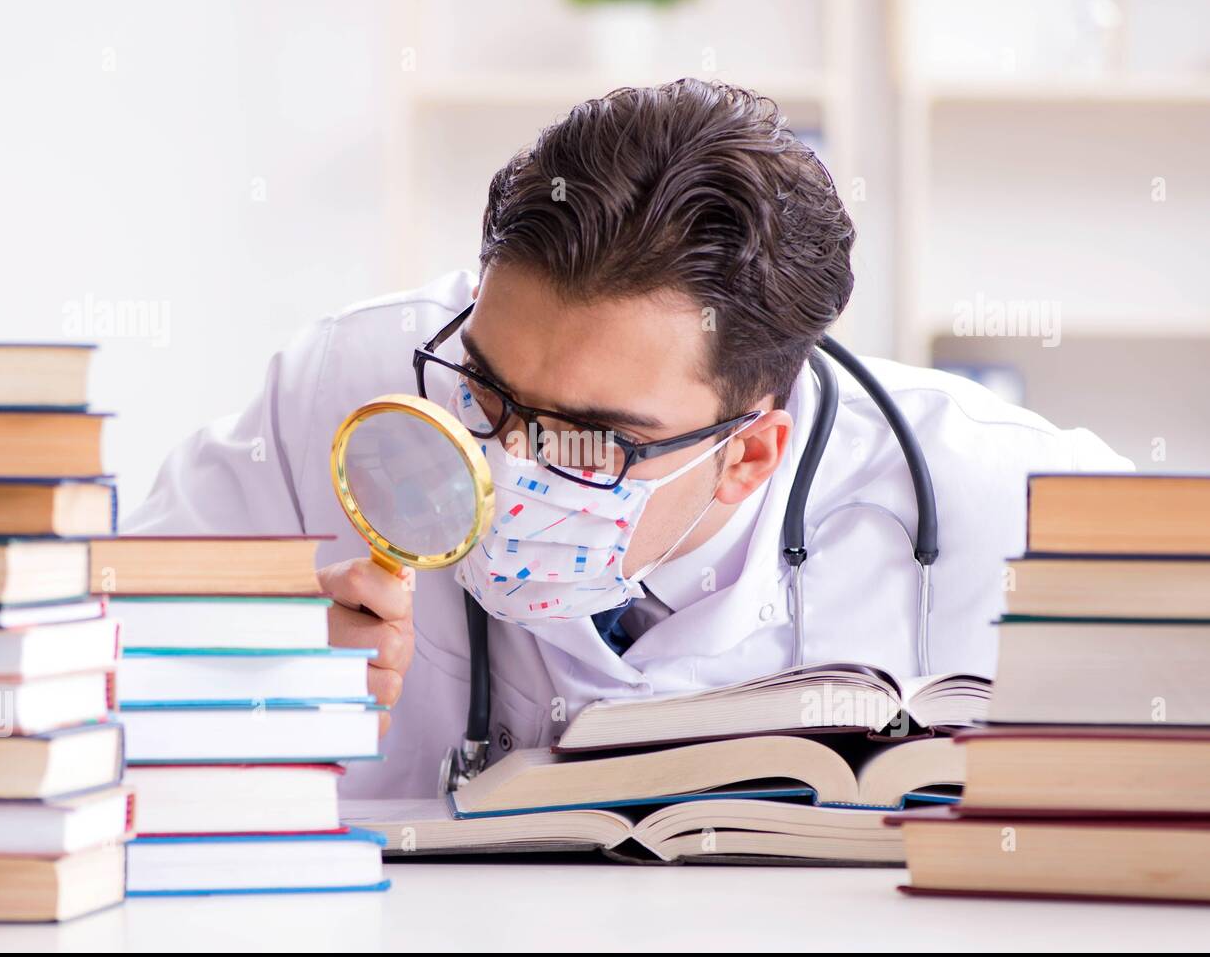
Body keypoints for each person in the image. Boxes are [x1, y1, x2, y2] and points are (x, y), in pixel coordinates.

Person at [126, 79, 1131, 798]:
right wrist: (220, 690)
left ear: (748, 455)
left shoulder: (1007, 496)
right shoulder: (345, 396)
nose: (504, 465)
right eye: (486, 392)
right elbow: (71, 681)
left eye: (591, 439)